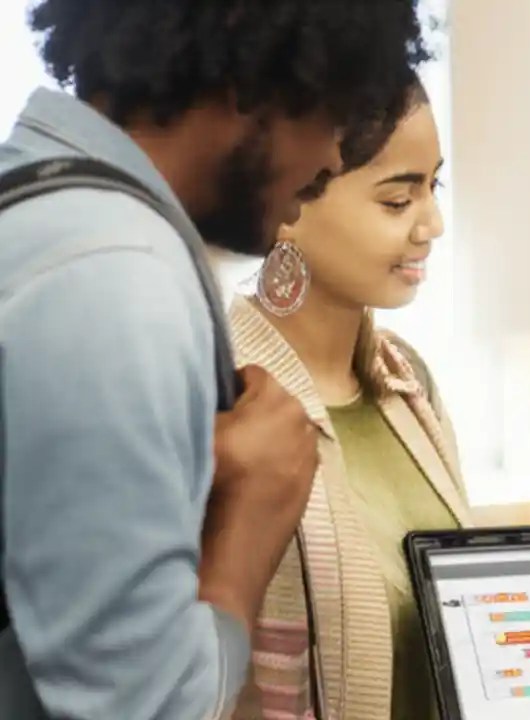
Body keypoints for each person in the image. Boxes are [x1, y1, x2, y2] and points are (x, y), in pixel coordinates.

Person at [0, 2, 428, 718]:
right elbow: (148, 704)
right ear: (257, 71)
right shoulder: (115, 281)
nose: (329, 160)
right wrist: (250, 520)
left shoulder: (44, 212)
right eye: (331, 116)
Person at [227, 79, 468, 720]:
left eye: (433, 188)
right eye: (397, 200)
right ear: (290, 202)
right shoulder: (223, 396)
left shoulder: (407, 383)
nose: (432, 225)